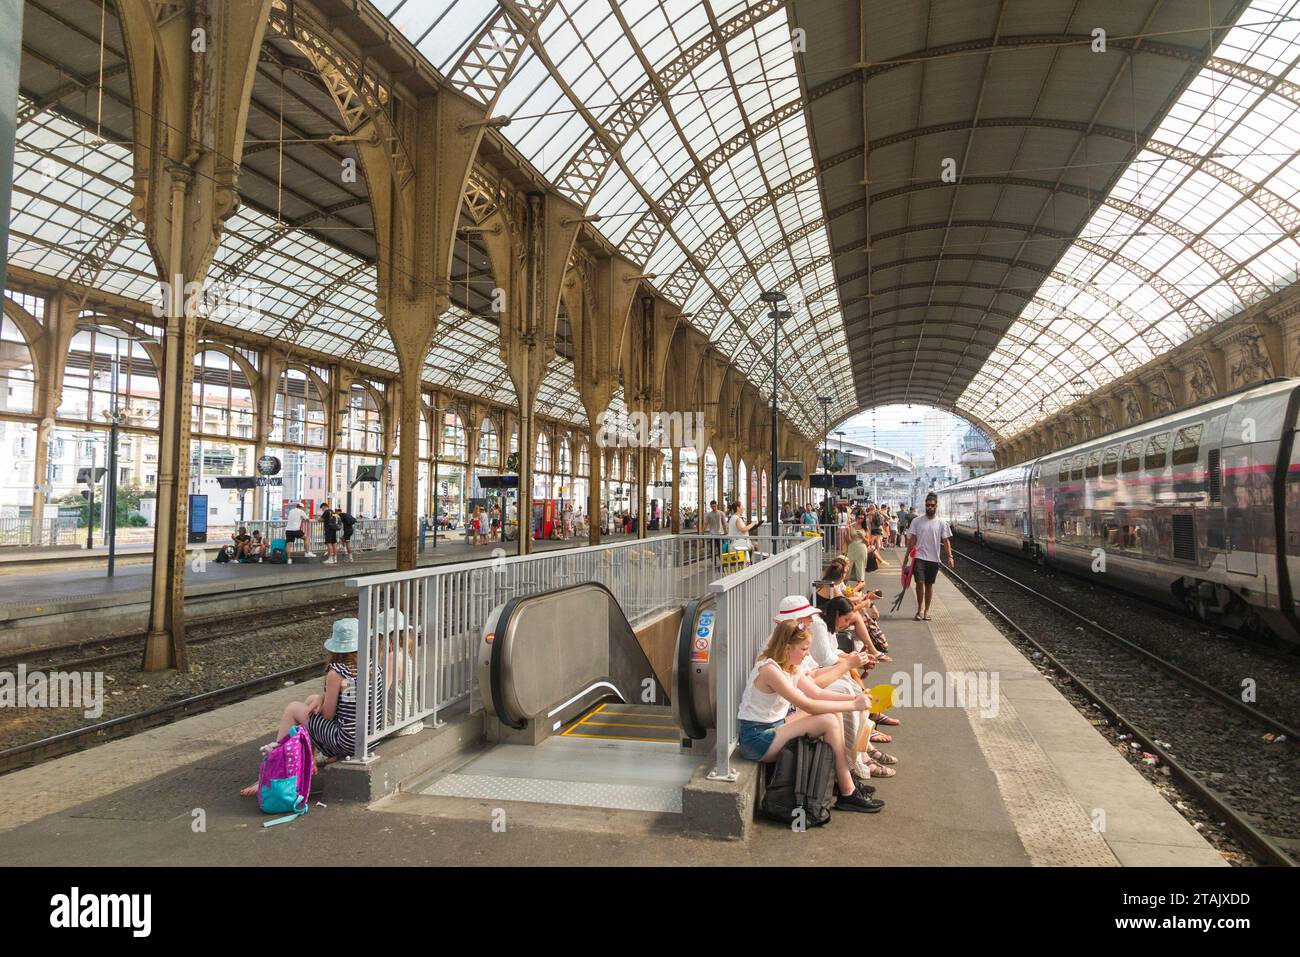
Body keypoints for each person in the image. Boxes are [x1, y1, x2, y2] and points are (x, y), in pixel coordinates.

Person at [736, 617, 882, 813]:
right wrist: (854, 705)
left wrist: (857, 697)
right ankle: (847, 790)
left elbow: (818, 693)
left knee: (832, 712)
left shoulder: (789, 666)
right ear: (788, 648)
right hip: (757, 738)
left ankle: (845, 779)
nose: (807, 654)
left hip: (773, 727)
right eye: (804, 649)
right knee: (828, 721)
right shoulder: (770, 670)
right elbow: (809, 705)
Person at [239, 618, 384, 797]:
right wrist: (319, 698)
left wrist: (319, 702)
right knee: (310, 700)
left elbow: (329, 715)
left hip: (347, 741)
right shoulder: (373, 667)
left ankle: (273, 771)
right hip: (371, 738)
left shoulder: (336, 672)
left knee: (293, 709)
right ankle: (310, 760)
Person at [907, 491, 954, 621]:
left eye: (932, 505)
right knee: (919, 582)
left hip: (934, 559)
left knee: (929, 585)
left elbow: (946, 541)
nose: (930, 507)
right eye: (928, 505)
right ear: (925, 505)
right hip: (919, 557)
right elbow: (912, 540)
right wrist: (906, 557)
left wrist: (950, 556)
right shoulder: (917, 521)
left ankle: (926, 611)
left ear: (936, 506)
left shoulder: (942, 523)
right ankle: (919, 610)